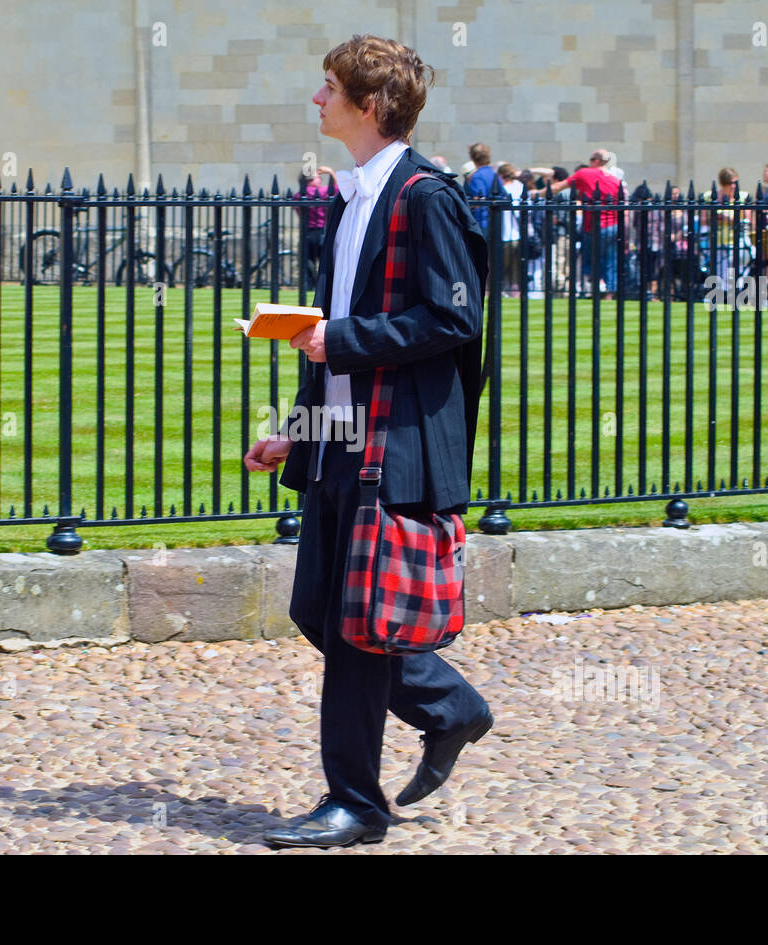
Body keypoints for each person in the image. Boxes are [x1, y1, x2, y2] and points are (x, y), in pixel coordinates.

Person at [243, 33, 492, 849]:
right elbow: (333, 329)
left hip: (398, 443)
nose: (318, 101)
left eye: (329, 89)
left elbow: (453, 317)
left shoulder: (427, 198)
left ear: (370, 105)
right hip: (341, 434)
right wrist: (297, 428)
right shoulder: (352, 199)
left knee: (354, 631)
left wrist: (341, 342)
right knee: (320, 609)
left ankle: (354, 804)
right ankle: (448, 705)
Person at [530, 149, 622, 298]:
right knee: (611, 261)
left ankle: (589, 291)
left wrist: (534, 194)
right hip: (613, 225)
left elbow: (558, 187)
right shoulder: (614, 180)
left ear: (596, 161)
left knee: (589, 260)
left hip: (593, 225)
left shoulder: (585, 173)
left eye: (591, 159)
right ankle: (609, 296)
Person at [296, 167, 331, 291]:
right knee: (325, 264)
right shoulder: (323, 192)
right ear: (309, 180)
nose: (320, 179)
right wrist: (331, 173)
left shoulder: (299, 195)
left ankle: (309, 287)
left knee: (307, 263)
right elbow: (338, 191)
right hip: (321, 231)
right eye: (317, 177)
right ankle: (322, 287)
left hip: (306, 232)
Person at [463, 142, 507, 236]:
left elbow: (479, 200)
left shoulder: (477, 176)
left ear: (472, 157)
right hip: (495, 220)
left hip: (481, 221)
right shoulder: (493, 173)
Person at [497, 162, 524, 296]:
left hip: (504, 233)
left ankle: (498, 291)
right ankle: (515, 292)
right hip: (518, 232)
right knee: (515, 269)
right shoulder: (520, 187)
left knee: (499, 267)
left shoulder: (502, 189)